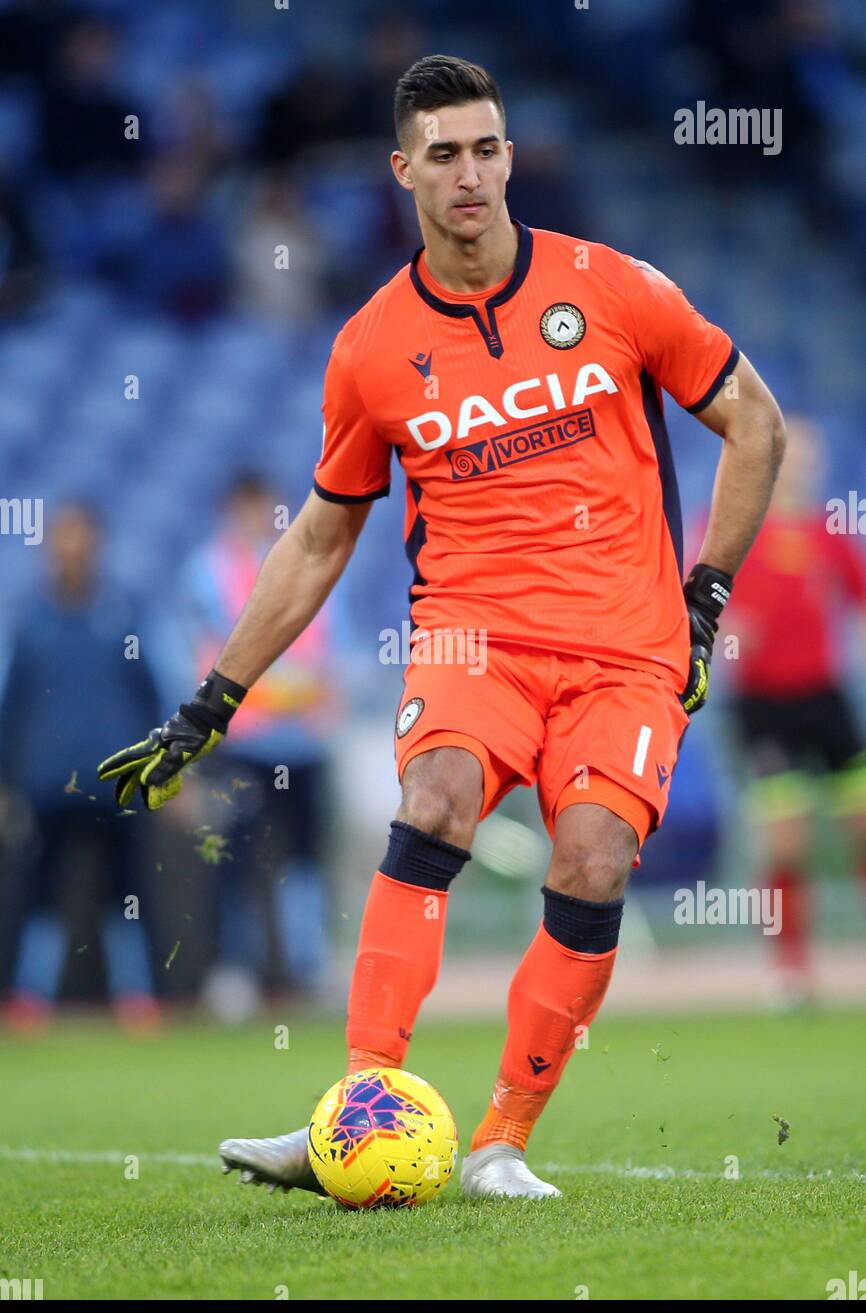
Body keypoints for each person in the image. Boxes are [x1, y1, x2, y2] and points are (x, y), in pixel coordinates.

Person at [97, 56, 785, 1198]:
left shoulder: (611, 288)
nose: (468, 174)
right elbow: (318, 539)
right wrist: (208, 702)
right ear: (401, 169)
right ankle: (355, 1118)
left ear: (508, 155)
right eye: (444, 153)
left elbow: (752, 422)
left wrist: (703, 593)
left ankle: (500, 1142)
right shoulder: (371, 346)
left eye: (486, 148)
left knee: (593, 857)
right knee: (434, 801)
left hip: (626, 646)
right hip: (475, 641)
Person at [176, 472, 339, 1012]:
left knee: (303, 862)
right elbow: (208, 650)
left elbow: (328, 652)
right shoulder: (210, 570)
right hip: (244, 740)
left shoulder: (300, 561)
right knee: (236, 857)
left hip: (302, 744)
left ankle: (306, 967)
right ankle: (236, 971)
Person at [722, 414, 866, 1006]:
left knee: (860, 830)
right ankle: (789, 970)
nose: (798, 463)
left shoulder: (827, 533)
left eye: (808, 453)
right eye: (789, 452)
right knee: (785, 841)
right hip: (763, 707)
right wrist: (729, 635)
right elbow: (704, 606)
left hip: (825, 700)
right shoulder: (735, 528)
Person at [1, 501, 161, 1031]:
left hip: (116, 782)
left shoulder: (122, 615)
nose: (71, 547)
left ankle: (136, 998)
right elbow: (13, 707)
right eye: (62, 537)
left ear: (96, 544)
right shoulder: (31, 622)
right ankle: (30, 998)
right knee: (41, 893)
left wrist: (159, 767)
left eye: (80, 536)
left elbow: (150, 697)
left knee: (127, 893)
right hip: (47, 783)